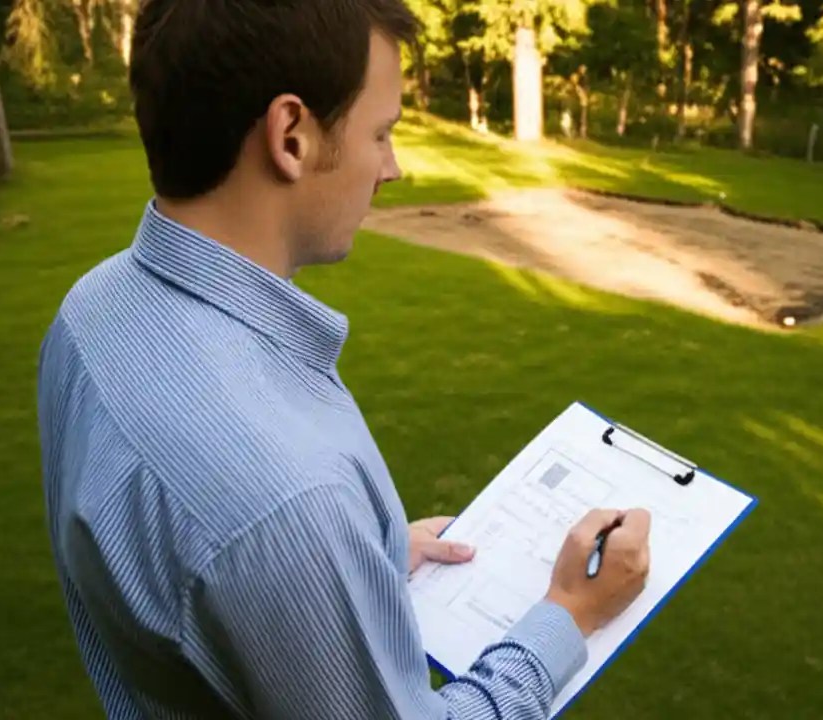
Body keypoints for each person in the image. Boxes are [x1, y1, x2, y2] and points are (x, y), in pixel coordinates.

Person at [35, 1, 651, 718]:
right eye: (381, 133)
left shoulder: (92, 310)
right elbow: (264, 525)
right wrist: (568, 617)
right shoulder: (286, 504)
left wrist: (368, 558)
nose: (392, 167)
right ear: (290, 135)